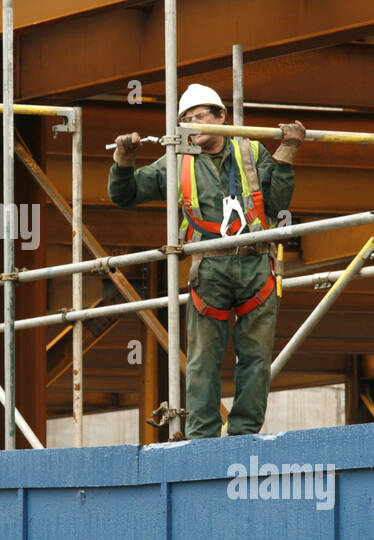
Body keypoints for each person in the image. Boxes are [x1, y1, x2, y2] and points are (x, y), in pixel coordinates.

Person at [109, 83, 304, 438]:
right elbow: (124, 195)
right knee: (202, 360)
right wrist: (123, 160)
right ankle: (203, 438)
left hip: (256, 266)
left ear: (221, 118)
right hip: (209, 270)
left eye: (200, 116)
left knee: (256, 359)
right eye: (186, 119)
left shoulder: (252, 151)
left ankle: (244, 433)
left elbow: (277, 203)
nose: (193, 124)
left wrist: (288, 150)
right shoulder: (177, 161)